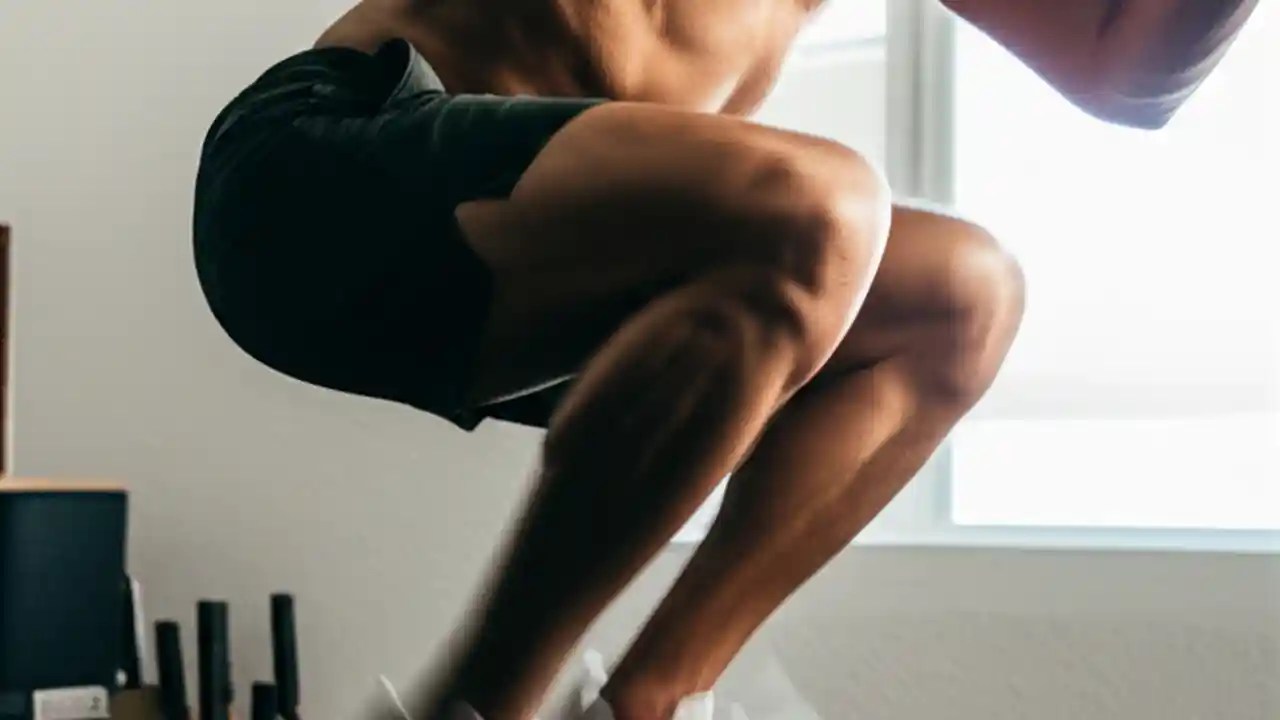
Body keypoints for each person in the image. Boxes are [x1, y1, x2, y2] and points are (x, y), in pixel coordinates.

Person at [192, 0, 1259, 717]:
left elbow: (1129, 78)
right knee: (815, 204)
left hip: (550, 273)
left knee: (961, 293)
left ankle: (646, 702)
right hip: (319, 184)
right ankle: (482, 703)